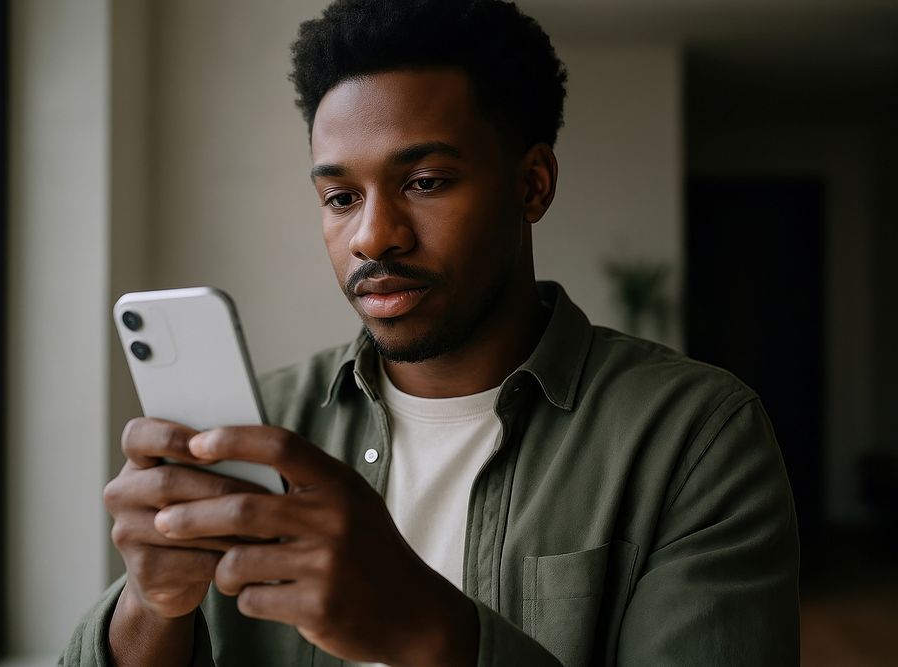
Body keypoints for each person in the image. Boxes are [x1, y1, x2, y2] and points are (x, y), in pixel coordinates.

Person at [62, 1, 800, 665]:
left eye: (426, 182)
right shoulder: (261, 430)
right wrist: (152, 607)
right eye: (341, 197)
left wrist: (424, 627)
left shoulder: (695, 436)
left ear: (532, 184)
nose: (372, 236)